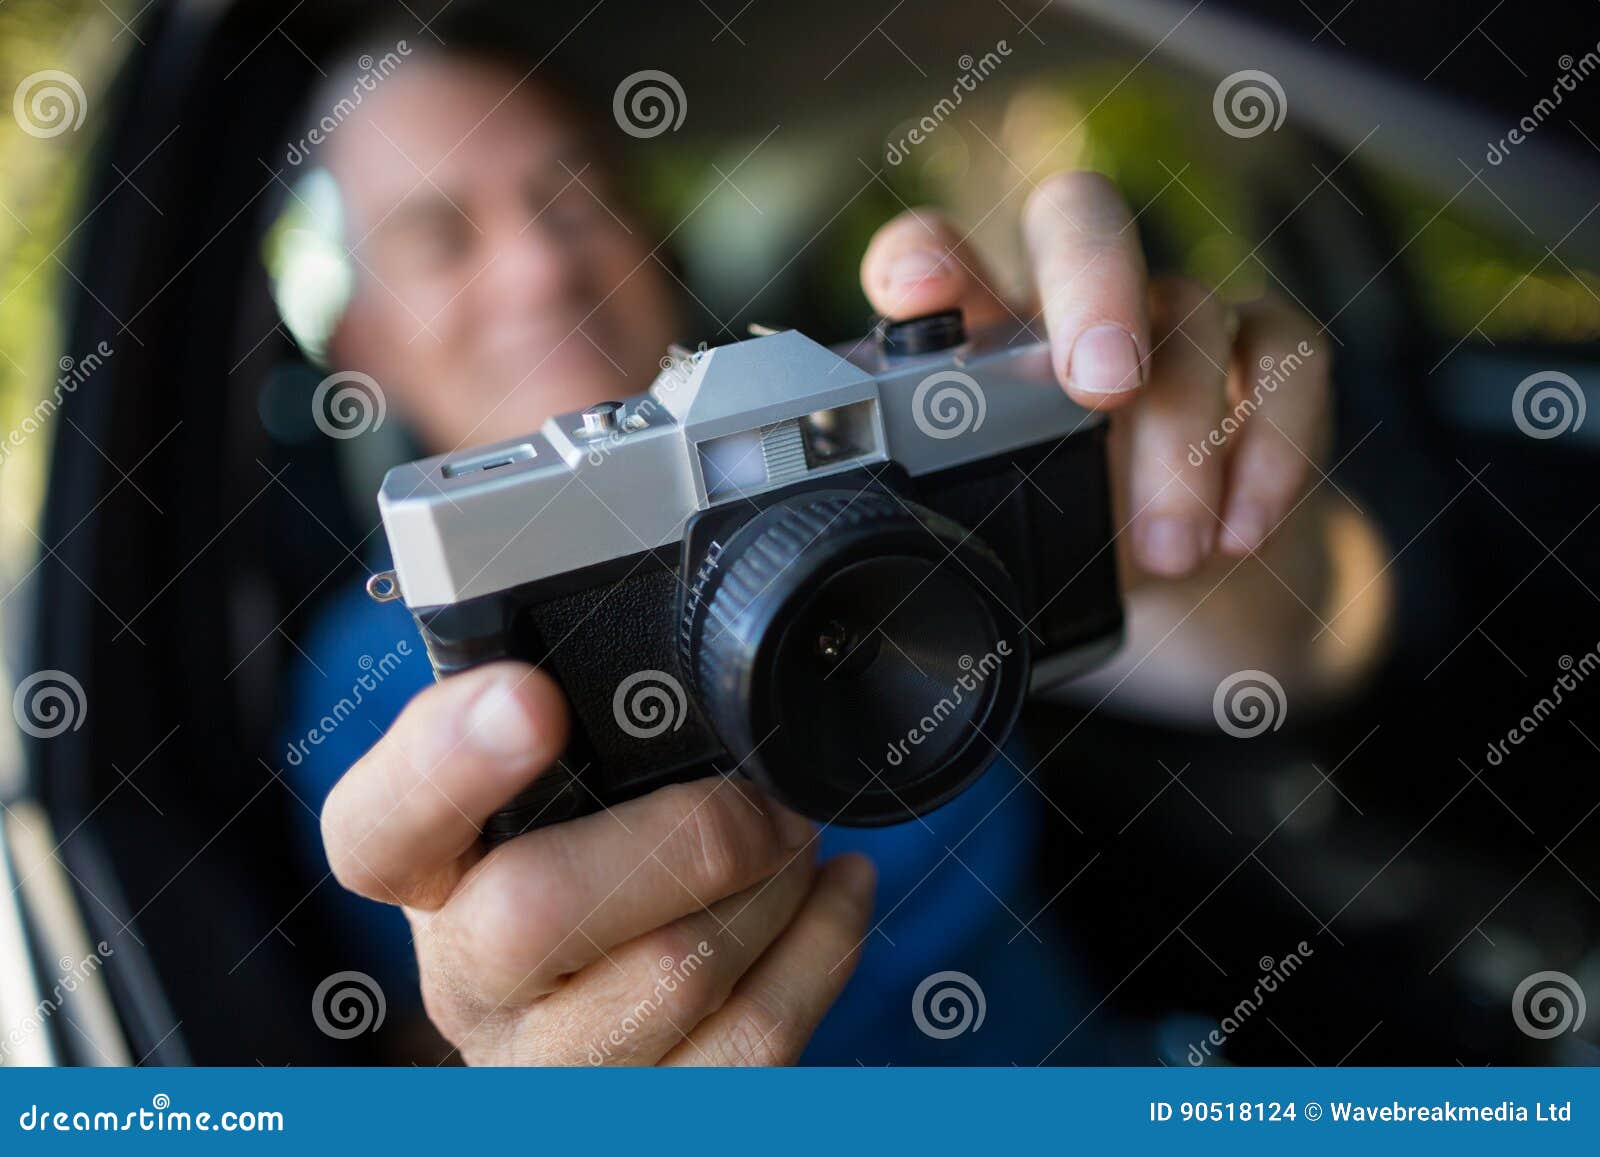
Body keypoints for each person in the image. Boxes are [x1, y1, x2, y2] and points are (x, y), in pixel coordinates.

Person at [276, 32, 1389, 1065]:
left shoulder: (869, 458)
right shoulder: (374, 676)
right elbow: (433, 1041)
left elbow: (1307, 651)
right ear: (360, 339)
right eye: (439, 238)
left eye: (574, 202)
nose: (538, 269)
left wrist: (1200, 499)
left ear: (646, 236)